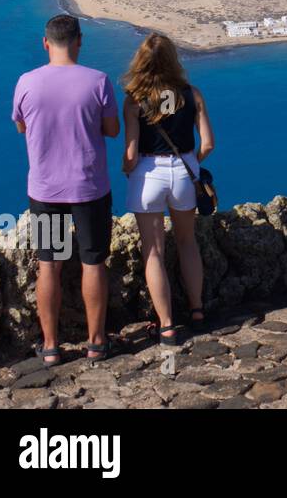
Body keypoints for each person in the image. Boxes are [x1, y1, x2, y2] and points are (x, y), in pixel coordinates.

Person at [12, 14, 120, 364]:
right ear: (79, 41)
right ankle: (96, 342)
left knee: (49, 264)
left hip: (45, 192)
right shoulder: (98, 81)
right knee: (93, 262)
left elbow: (21, 127)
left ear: (45, 43)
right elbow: (112, 130)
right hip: (89, 189)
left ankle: (50, 346)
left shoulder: (27, 82)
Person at [120, 33, 214, 345]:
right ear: (174, 60)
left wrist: (127, 168)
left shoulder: (134, 100)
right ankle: (197, 310)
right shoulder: (192, 94)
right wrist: (191, 161)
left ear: (141, 62)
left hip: (148, 173)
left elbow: (131, 154)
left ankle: (167, 325)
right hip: (185, 172)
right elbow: (209, 144)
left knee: (154, 250)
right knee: (188, 242)